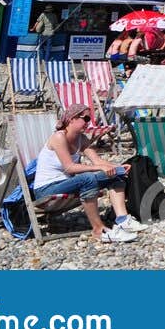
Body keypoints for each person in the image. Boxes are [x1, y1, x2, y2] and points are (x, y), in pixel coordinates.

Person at [32, 104, 141, 245]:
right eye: (86, 118)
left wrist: (118, 167)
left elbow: (97, 160)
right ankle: (98, 229)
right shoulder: (59, 137)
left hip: (67, 185)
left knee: (116, 174)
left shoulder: (81, 139)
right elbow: (70, 167)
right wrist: (98, 168)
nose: (88, 122)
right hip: (46, 189)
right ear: (71, 119)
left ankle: (123, 220)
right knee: (88, 179)